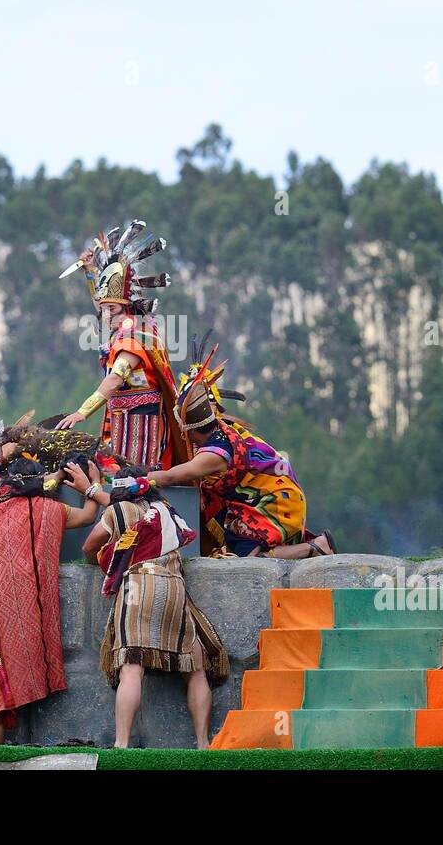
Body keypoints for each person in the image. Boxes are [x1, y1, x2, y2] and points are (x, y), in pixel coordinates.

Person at [125, 345, 334, 559]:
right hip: (272, 497)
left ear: (192, 430)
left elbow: (171, 476)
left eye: (183, 431)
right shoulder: (223, 427)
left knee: (249, 559)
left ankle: (315, 546)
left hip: (276, 502)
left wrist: (140, 478)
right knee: (238, 546)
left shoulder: (212, 456)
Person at [0, 457, 102, 744]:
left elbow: (12, 485)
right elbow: (87, 516)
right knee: (6, 672)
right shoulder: (48, 509)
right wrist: (92, 484)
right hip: (16, 609)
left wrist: (52, 476)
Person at [82, 466, 229, 748]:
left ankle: (122, 743)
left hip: (137, 587)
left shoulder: (118, 512)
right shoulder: (166, 510)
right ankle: (202, 742)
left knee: (131, 667)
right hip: (174, 588)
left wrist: (100, 560)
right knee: (195, 666)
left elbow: (90, 546)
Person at [55, 220, 190, 471]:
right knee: (114, 473)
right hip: (120, 418)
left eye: (112, 309)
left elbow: (116, 378)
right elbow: (103, 301)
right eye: (104, 309)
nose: (105, 314)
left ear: (126, 308)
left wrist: (82, 412)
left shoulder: (134, 336)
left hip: (142, 422)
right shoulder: (119, 329)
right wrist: (89, 271)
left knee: (137, 477)